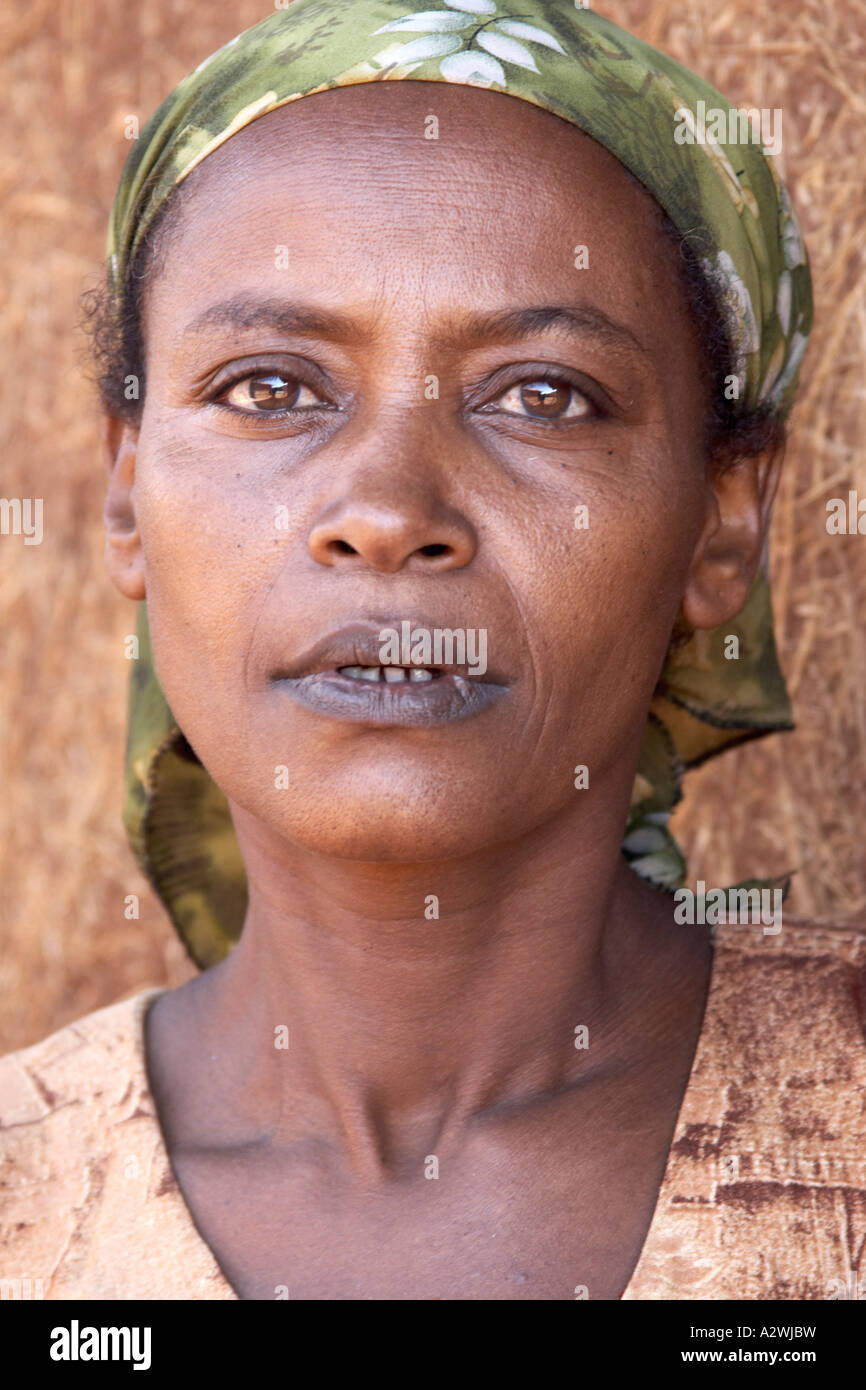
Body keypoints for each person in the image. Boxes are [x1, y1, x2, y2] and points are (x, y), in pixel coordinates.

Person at [2, 0, 863, 1302]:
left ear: (721, 520)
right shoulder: (27, 1195)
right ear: (127, 493)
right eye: (271, 387)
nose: (388, 513)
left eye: (540, 394)